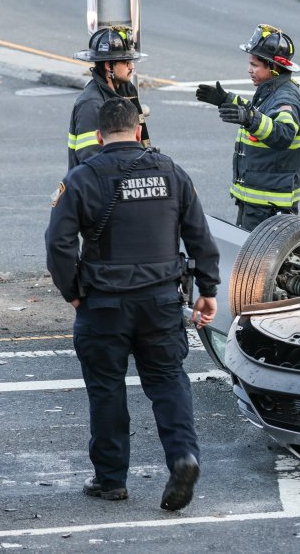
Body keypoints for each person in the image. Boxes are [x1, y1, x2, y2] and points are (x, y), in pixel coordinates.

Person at [45, 98, 219, 511]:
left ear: (99, 135)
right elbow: (199, 234)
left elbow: (59, 244)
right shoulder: (171, 172)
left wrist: (72, 291)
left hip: (103, 304)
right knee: (168, 381)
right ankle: (183, 457)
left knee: (106, 388)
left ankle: (110, 480)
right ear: (138, 131)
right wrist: (208, 288)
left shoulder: (82, 178)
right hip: (161, 301)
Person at [194, 24, 300, 230]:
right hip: (258, 202)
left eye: (254, 65)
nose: (249, 70)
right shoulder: (271, 91)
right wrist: (226, 99)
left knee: (256, 253)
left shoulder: (286, 97)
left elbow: (283, 133)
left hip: (269, 207)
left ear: (273, 67)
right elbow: (259, 113)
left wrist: (249, 119)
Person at [70, 26, 150, 169]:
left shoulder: (127, 90)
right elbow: (91, 161)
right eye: (126, 62)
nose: (132, 67)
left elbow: (140, 142)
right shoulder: (91, 103)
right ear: (109, 66)